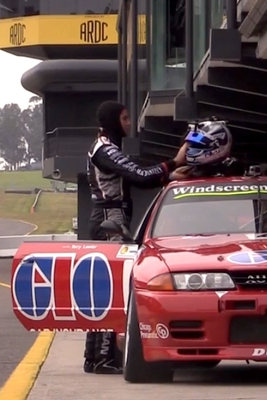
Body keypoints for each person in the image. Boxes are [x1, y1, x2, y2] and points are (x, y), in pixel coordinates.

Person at [83, 101, 188, 375]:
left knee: (104, 289)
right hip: (110, 220)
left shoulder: (106, 147)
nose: (130, 123)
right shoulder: (105, 148)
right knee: (113, 288)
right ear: (113, 121)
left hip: (109, 218)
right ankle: (104, 358)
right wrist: (174, 163)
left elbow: (137, 170)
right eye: (125, 118)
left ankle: (94, 358)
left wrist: (167, 173)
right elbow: (139, 175)